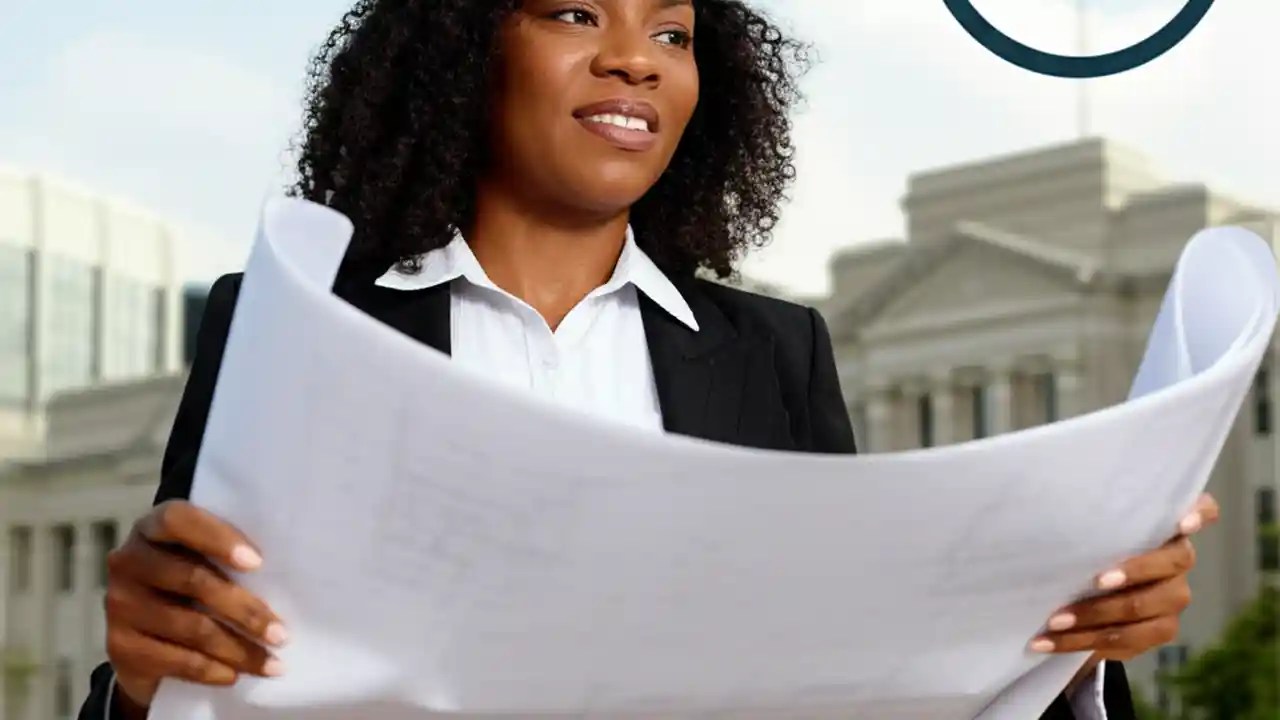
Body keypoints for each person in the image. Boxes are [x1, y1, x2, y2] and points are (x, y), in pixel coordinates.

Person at [78, 1, 1221, 718]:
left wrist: (1065, 651)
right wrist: (139, 681)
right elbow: (182, 662)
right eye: (575, 14)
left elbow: (854, 671)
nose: (633, 61)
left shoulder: (775, 352)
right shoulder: (286, 321)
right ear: (464, 49)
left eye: (669, 32)